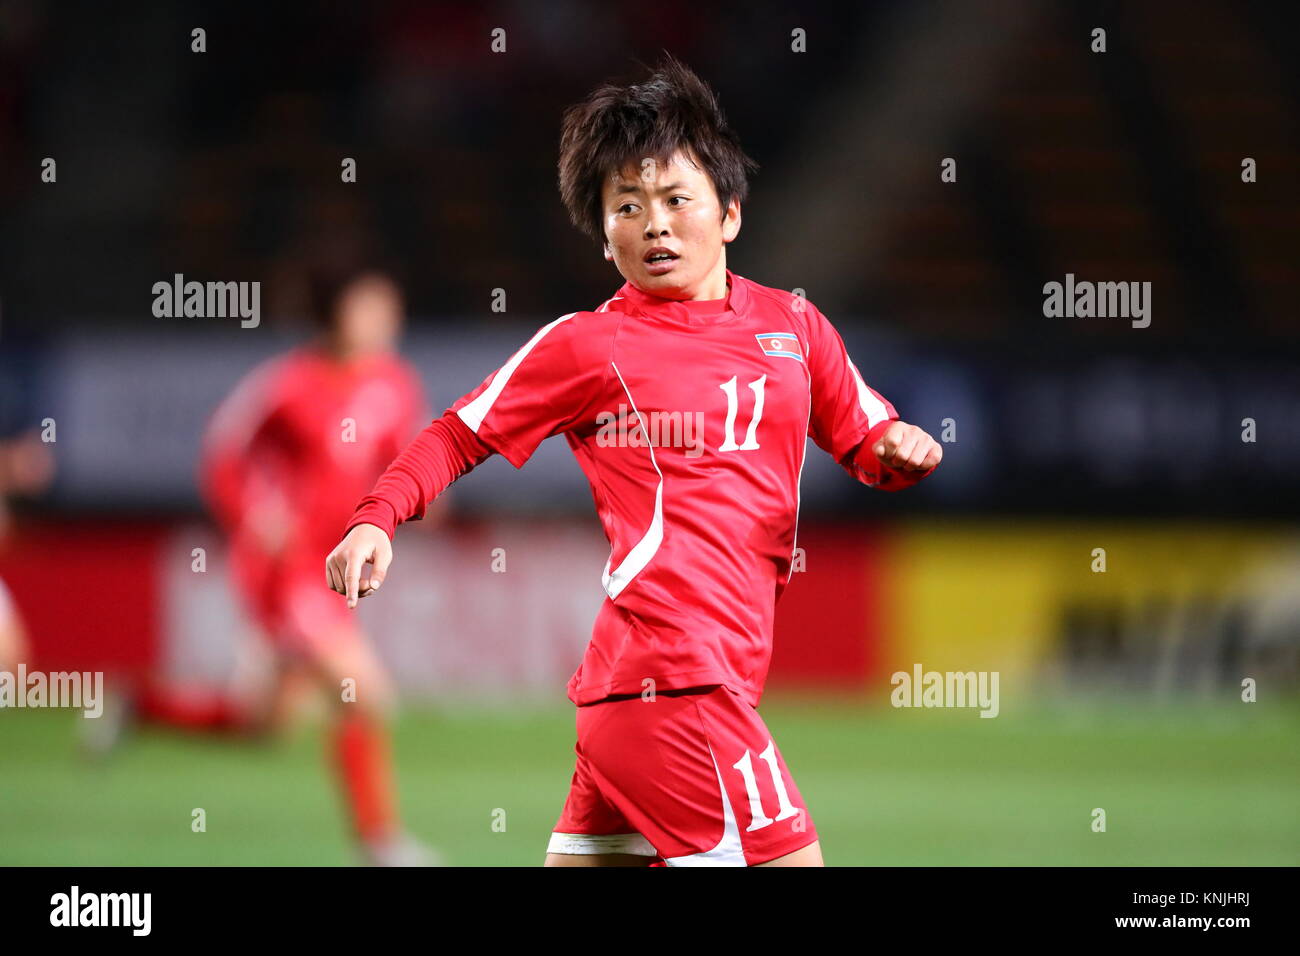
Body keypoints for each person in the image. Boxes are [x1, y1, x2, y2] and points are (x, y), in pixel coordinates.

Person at [326, 58, 942, 867]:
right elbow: (458, 432)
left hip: (650, 691)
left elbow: (867, 441)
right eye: (626, 206)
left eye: (675, 200)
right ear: (604, 232)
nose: (653, 223)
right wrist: (377, 519)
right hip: (677, 682)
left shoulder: (794, 326)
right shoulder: (589, 346)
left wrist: (902, 450)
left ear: (729, 213)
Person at [143, 262, 437, 866]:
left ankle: (138, 707)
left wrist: (418, 500)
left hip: (338, 574)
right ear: (336, 314)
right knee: (365, 694)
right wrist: (252, 515)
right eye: (370, 307)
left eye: (389, 308)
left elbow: (403, 462)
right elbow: (225, 452)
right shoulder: (290, 383)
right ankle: (379, 842)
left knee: (264, 724)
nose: (385, 320)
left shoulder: (393, 385)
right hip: (287, 569)